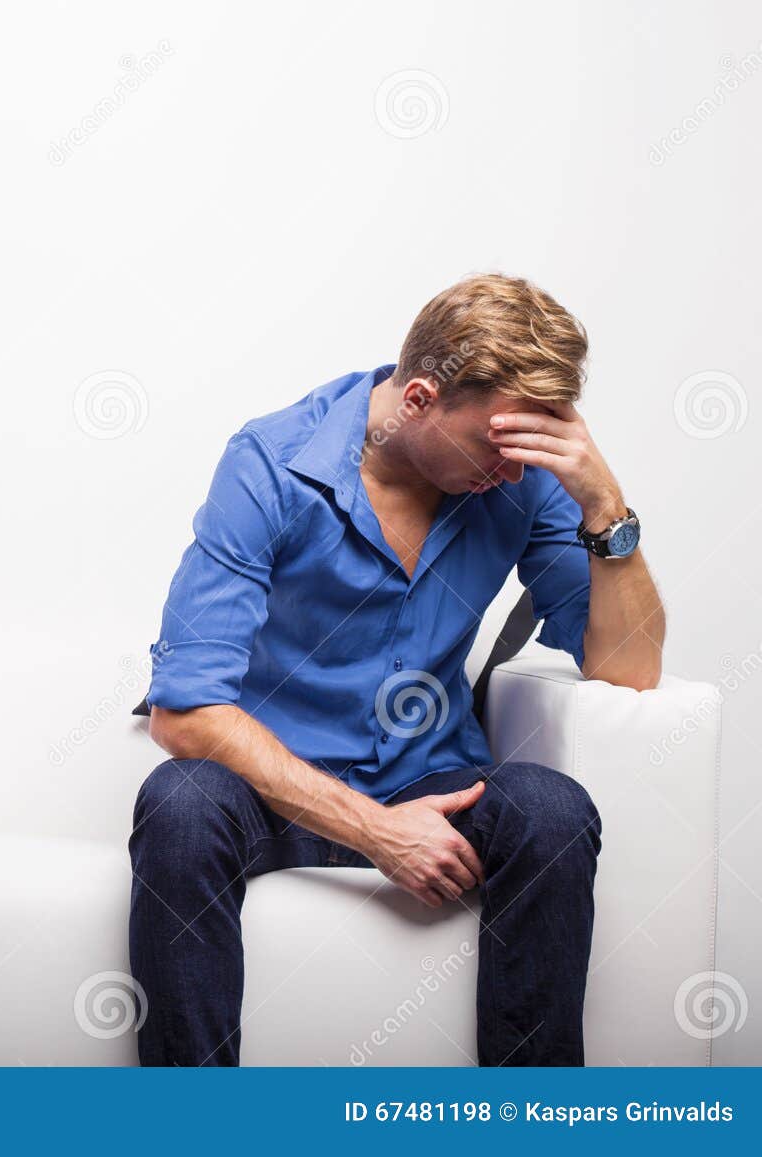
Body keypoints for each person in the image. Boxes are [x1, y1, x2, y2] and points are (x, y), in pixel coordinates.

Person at [130, 273, 665, 1066]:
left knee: (552, 811)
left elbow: (631, 670)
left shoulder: (519, 480)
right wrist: (377, 833)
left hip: (431, 780)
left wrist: (604, 505)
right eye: (494, 443)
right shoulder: (270, 465)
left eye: (530, 448)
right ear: (418, 399)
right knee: (179, 803)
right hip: (272, 787)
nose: (514, 472)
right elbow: (187, 711)